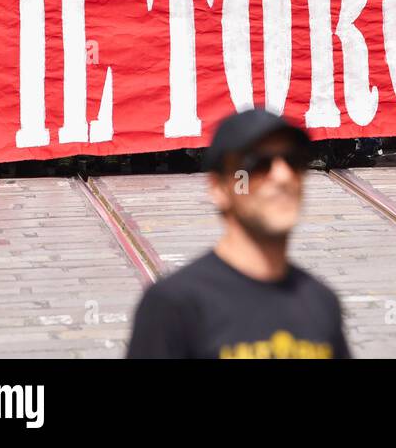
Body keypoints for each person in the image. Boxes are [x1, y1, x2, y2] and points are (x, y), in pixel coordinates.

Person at [126, 109, 350, 359]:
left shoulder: (321, 302)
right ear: (219, 188)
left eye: (293, 160)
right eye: (258, 164)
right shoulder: (175, 305)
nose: (282, 176)